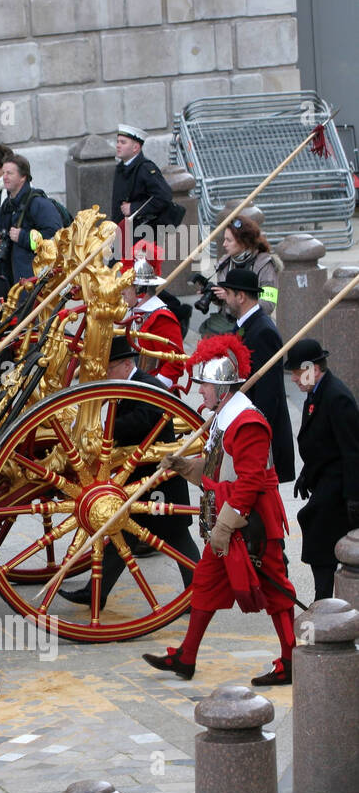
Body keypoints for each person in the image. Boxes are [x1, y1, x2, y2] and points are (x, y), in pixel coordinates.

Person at [145, 334, 297, 686]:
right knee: (206, 583)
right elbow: (217, 471)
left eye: (205, 386)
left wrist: (225, 527)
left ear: (222, 389)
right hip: (227, 523)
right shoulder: (222, 418)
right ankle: (187, 656)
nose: (200, 392)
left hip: (253, 523)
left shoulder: (247, 423)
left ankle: (290, 659)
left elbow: (249, 482)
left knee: (276, 591)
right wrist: (183, 466)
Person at [59, 335, 200, 607]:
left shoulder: (148, 387)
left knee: (178, 538)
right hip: (139, 477)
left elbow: (143, 421)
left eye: (110, 369)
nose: (108, 374)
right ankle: (95, 593)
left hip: (160, 478)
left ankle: (199, 592)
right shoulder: (129, 386)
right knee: (122, 536)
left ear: (125, 365)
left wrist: (105, 432)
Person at [286, 339, 359, 601]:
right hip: (325, 481)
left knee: (320, 538)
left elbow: (352, 451)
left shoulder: (337, 397)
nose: (293, 379)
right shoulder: (315, 394)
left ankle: (324, 600)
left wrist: (354, 496)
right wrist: (307, 472)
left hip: (339, 490)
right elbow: (321, 441)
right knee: (319, 540)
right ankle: (324, 598)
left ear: (313, 368)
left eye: (296, 372)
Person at [217, 268, 294, 481]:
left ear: (241, 297)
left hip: (258, 438)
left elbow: (269, 394)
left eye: (228, 294)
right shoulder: (245, 326)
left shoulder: (263, 331)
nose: (225, 299)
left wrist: (254, 434)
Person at [0, 154, 62, 282]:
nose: (5, 177)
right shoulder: (7, 204)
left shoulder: (39, 204)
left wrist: (24, 237)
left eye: (9, 173)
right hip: (11, 276)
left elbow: (55, 235)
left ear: (23, 177)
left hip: (34, 278)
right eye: (3, 173)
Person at [122, 259, 186, 389]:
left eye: (127, 286)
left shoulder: (161, 318)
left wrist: (154, 389)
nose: (122, 291)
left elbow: (175, 362)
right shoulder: (138, 313)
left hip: (153, 394)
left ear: (140, 289)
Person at [111, 124, 174, 250]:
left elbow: (164, 196)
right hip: (122, 234)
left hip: (141, 235)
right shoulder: (120, 168)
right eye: (117, 141)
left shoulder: (145, 169)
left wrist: (134, 207)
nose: (118, 145)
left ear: (135, 147)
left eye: (123, 142)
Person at [209, 215, 279, 324]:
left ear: (243, 242)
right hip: (227, 325)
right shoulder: (225, 263)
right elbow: (225, 304)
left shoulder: (265, 264)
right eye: (224, 239)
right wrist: (215, 296)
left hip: (255, 325)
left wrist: (231, 297)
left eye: (229, 240)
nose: (224, 244)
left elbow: (269, 305)